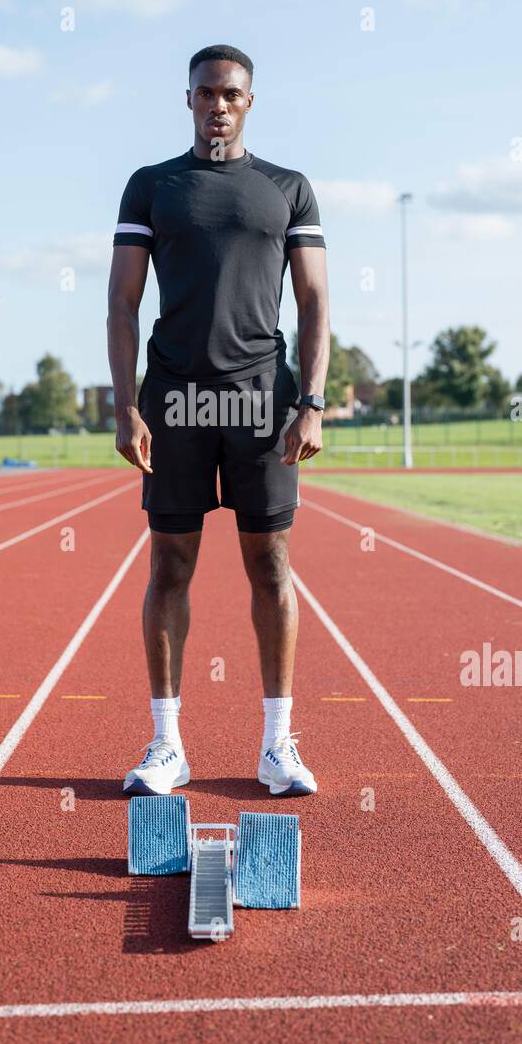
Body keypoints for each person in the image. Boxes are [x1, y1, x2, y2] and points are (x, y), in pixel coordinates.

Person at [107, 44, 330, 798]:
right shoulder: (151, 187)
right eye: (206, 93)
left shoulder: (287, 189)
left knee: (269, 564)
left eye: (231, 94)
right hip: (173, 397)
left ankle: (277, 746)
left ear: (250, 101)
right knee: (170, 563)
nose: (219, 105)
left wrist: (313, 401)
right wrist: (125, 403)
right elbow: (122, 303)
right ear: (190, 99)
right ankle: (167, 745)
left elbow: (315, 303)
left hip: (262, 398)